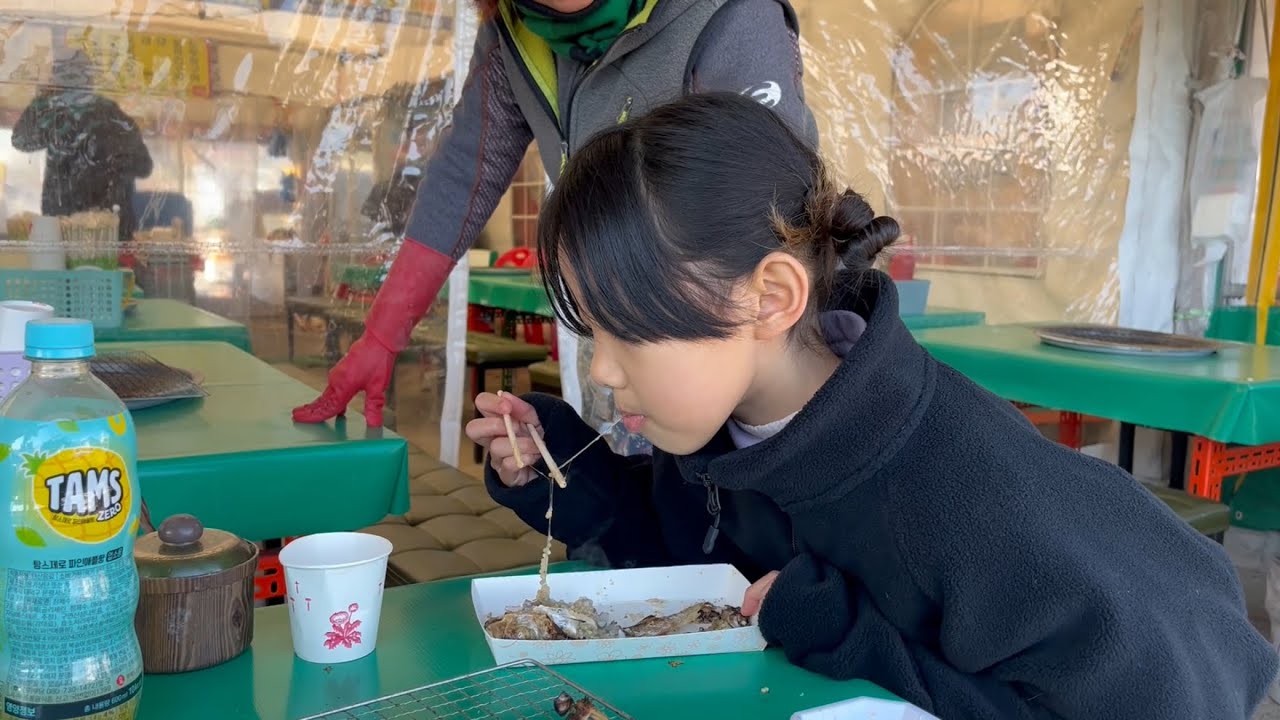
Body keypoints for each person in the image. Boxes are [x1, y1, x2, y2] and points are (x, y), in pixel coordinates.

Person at [465, 93, 1277, 718]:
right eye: (591, 330)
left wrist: (847, 636)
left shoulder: (963, 500)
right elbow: (702, 565)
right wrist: (574, 477)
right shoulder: (730, 428)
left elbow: (1177, 693)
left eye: (627, 332)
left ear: (769, 297)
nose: (602, 368)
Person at [292, 0, 818, 445]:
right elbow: (461, 176)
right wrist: (382, 336)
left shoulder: (730, 17)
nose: (600, 370)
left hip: (722, 349)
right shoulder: (513, 35)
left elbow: (767, 219)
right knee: (633, 509)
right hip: (634, 335)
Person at [12, 51, 153, 243]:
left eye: (77, 75)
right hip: (62, 225)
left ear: (90, 79)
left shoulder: (109, 113)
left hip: (106, 228)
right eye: (64, 76)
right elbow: (20, 140)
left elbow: (143, 165)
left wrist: (107, 155)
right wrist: (41, 105)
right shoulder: (50, 110)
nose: (71, 84)